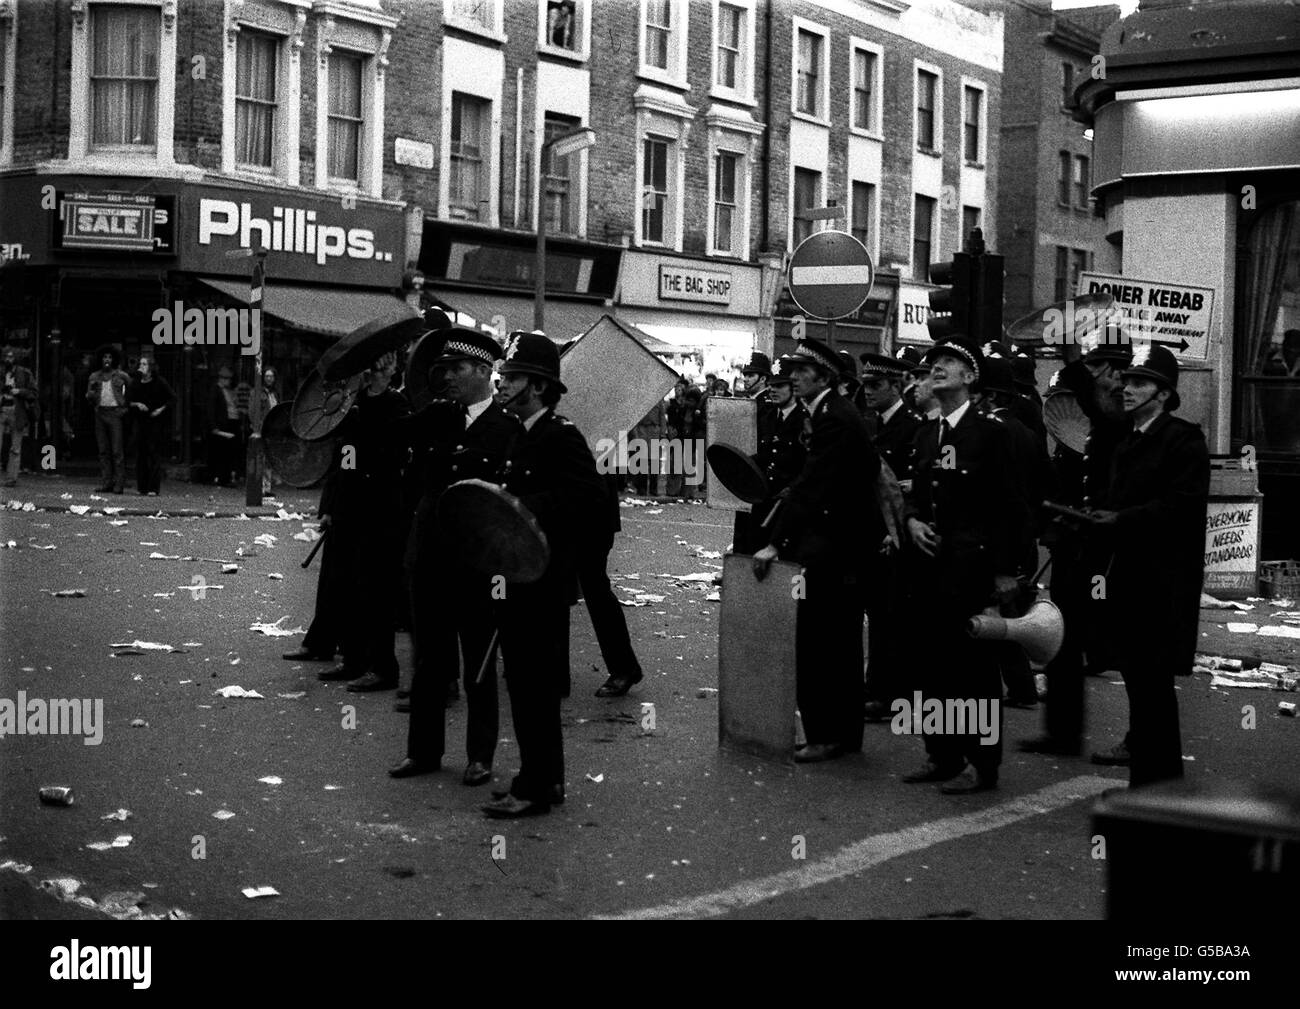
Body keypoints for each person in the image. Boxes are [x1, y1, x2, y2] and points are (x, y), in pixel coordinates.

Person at [482, 333, 604, 818]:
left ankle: (534, 788)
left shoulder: (561, 436)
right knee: (527, 685)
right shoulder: (521, 431)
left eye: (511, 377)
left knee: (533, 686)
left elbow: (587, 500)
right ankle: (543, 778)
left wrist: (520, 507)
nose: (503, 383)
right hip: (520, 577)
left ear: (536, 385)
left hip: (543, 582)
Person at [391, 328, 517, 787]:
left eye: (459, 369)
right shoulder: (437, 415)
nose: (450, 377)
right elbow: (388, 438)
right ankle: (422, 751)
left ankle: (479, 756)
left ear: (484, 372)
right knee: (429, 660)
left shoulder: (506, 428)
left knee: (479, 661)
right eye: (445, 369)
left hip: (478, 564)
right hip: (430, 557)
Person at [901, 336, 1024, 794]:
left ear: (970, 377)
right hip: (931, 568)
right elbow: (917, 495)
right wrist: (912, 522)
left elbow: (1011, 505)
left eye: (949, 363)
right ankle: (942, 754)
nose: (936, 368)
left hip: (972, 570)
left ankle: (982, 764)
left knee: (973, 672)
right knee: (933, 665)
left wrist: (1005, 571)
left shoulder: (991, 432)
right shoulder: (927, 431)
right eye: (933, 362)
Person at [1086, 344, 1209, 789]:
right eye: (1126, 380)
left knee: (1154, 688)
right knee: (1140, 684)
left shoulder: (1182, 439)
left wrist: (1121, 519)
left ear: (1163, 393)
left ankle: (1159, 786)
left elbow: (1181, 507)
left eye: (1139, 382)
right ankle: (1149, 783)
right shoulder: (1129, 439)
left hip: (1162, 584)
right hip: (1129, 580)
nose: (1126, 388)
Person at [752, 338, 880, 763]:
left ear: (824, 377)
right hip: (845, 547)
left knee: (819, 643)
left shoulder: (833, 419)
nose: (794, 376)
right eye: (792, 369)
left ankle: (825, 734)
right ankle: (845, 735)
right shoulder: (831, 413)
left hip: (832, 548)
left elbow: (812, 487)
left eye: (803, 371)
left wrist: (776, 543)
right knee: (841, 643)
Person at [1021, 330, 1132, 758]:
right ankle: (1062, 733)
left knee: (1133, 649)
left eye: (1097, 369)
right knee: (1062, 638)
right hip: (1079, 543)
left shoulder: (1122, 414)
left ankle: (1140, 739)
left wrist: (1072, 357)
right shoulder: (1101, 417)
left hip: (1111, 551)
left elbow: (1096, 406)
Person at [314, 353, 412, 693]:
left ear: (390, 370)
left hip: (382, 508)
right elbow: (345, 456)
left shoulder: (396, 404)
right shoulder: (353, 407)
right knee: (350, 586)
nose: (372, 372)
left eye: (380, 367)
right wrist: (334, 505)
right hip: (353, 507)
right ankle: (354, 660)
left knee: (378, 592)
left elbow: (396, 451)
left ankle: (384, 668)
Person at [859, 353, 923, 722]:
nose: (868, 392)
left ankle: (888, 693)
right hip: (874, 531)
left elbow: (911, 484)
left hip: (897, 534)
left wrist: (893, 530)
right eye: (865, 384)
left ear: (896, 386)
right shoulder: (874, 424)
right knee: (879, 613)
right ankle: (878, 687)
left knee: (892, 617)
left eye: (876, 385)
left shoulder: (910, 426)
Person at [732, 352, 775, 555]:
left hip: (756, 474)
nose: (746, 378)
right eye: (745, 374)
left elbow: (764, 445)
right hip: (746, 472)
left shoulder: (766, 405)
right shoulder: (750, 402)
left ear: (763, 378)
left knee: (751, 532)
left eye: (751, 375)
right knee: (742, 528)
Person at [126, 354, 175, 496]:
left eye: (145, 364)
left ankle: (153, 487)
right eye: (140, 364)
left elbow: (172, 398)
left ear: (151, 368)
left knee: (153, 454)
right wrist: (137, 404)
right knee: (141, 454)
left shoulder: (159, 382)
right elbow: (127, 400)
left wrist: (160, 409)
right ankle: (142, 486)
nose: (141, 366)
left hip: (155, 421)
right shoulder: (136, 382)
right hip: (141, 421)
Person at [86, 347, 130, 493]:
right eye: (104, 357)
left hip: (115, 413)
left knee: (117, 451)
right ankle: (107, 482)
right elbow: (89, 397)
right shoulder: (94, 376)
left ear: (114, 360)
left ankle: (119, 483)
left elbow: (132, 391)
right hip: (100, 413)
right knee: (103, 450)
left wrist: (125, 408)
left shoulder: (122, 376)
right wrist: (91, 393)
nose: (107, 360)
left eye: (110, 357)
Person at [1, 347, 38, 488]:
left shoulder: (25, 373)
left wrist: (19, 391)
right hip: (2, 409)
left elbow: (34, 393)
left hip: (17, 411)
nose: (8, 359)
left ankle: (11, 479)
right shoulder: (1, 372)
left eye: (11, 357)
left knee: (15, 448)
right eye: (6, 357)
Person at [207, 365, 241, 486]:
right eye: (226, 379)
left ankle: (225, 477)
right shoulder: (216, 390)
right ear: (221, 379)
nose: (228, 381)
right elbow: (211, 409)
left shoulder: (227, 391)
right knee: (221, 452)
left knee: (227, 452)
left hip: (229, 422)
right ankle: (221, 477)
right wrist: (214, 426)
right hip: (222, 424)